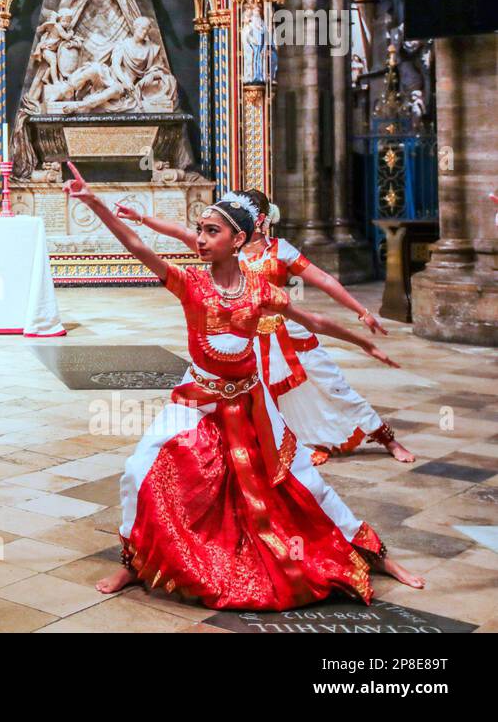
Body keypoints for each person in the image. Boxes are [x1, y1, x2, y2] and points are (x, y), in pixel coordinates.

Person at [61, 165, 424, 606]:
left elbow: (314, 320)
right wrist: (95, 201)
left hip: (252, 402)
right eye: (198, 229)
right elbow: (137, 245)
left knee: (306, 482)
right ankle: (133, 562)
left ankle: (374, 554)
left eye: (210, 231)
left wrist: (363, 341)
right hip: (197, 399)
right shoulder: (189, 282)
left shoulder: (260, 291)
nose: (199, 238)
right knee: (139, 470)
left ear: (237, 240)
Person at [117, 189, 415, 464]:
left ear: (260, 220)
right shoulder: (229, 249)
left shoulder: (280, 250)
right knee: (257, 399)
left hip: (288, 331)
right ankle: (278, 446)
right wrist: (139, 218)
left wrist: (361, 312)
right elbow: (179, 231)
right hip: (246, 337)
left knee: (334, 386)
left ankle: (386, 439)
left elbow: (322, 279)